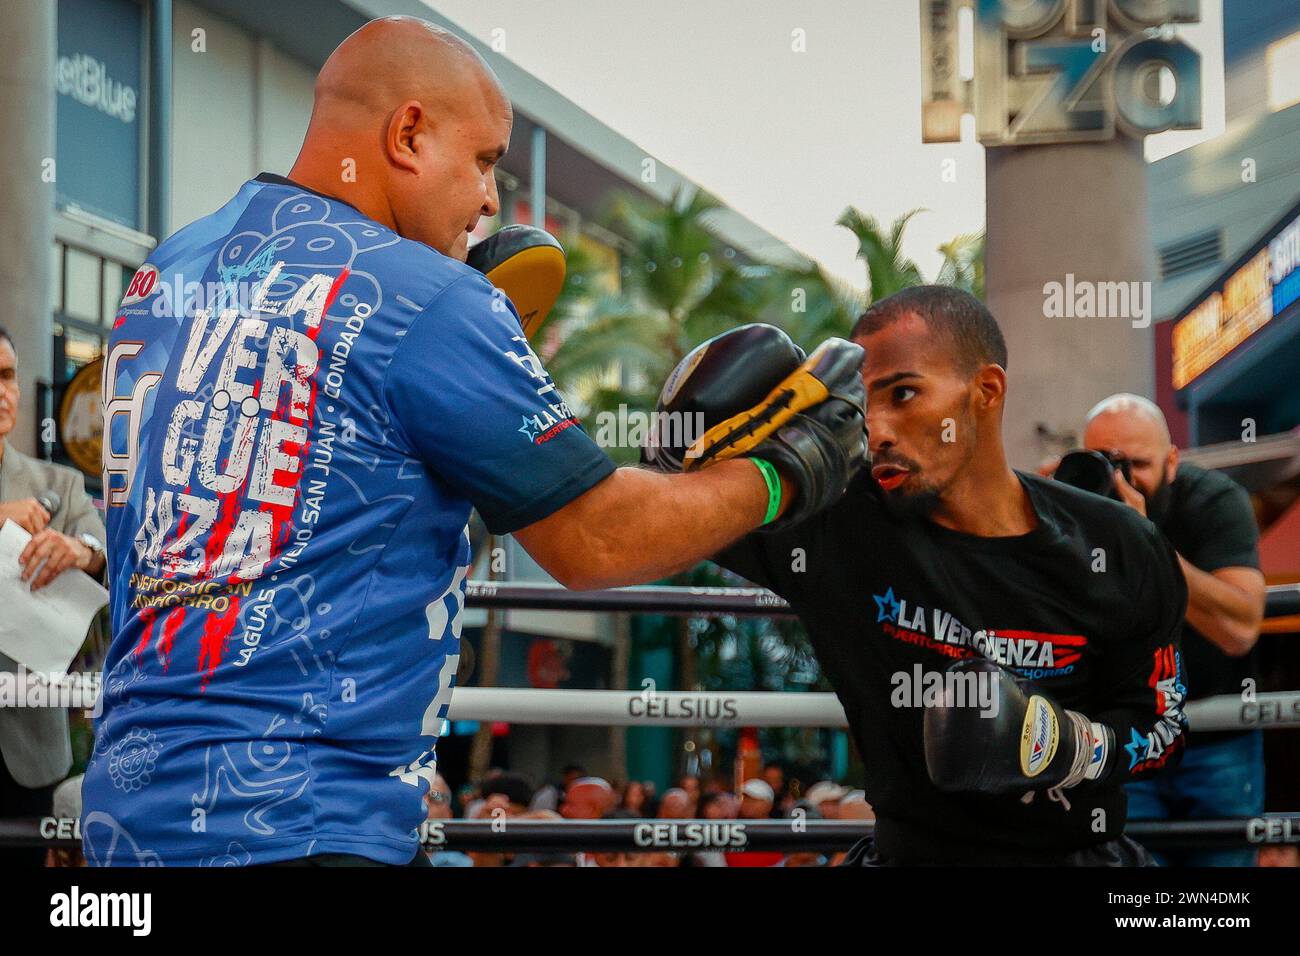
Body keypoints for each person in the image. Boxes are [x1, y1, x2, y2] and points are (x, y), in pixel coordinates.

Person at [82, 17, 864, 867]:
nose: (492, 201)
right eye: (486, 159)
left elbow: (292, 511)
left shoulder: (167, 271)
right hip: (306, 823)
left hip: (129, 825)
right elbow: (594, 540)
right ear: (409, 134)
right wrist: (792, 467)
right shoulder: (426, 295)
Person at [704, 285, 1189, 865]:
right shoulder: (834, 521)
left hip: (1081, 855)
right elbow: (644, 525)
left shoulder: (1117, 542)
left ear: (985, 390)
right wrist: (697, 436)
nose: (875, 429)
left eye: (903, 393)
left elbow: (1162, 726)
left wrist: (1069, 746)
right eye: (861, 407)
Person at [1082, 394, 1266, 867]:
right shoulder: (1070, 503)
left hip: (1214, 738)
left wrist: (1144, 542)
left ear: (1172, 461)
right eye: (1104, 462)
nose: (1120, 479)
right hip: (1124, 739)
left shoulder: (1214, 501)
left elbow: (1240, 628)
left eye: (1136, 463)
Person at [0, 328, 106, 868]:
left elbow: (108, 549)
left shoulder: (57, 485)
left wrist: (81, 551)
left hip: (28, 747)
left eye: (7, 376)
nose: (3, 392)